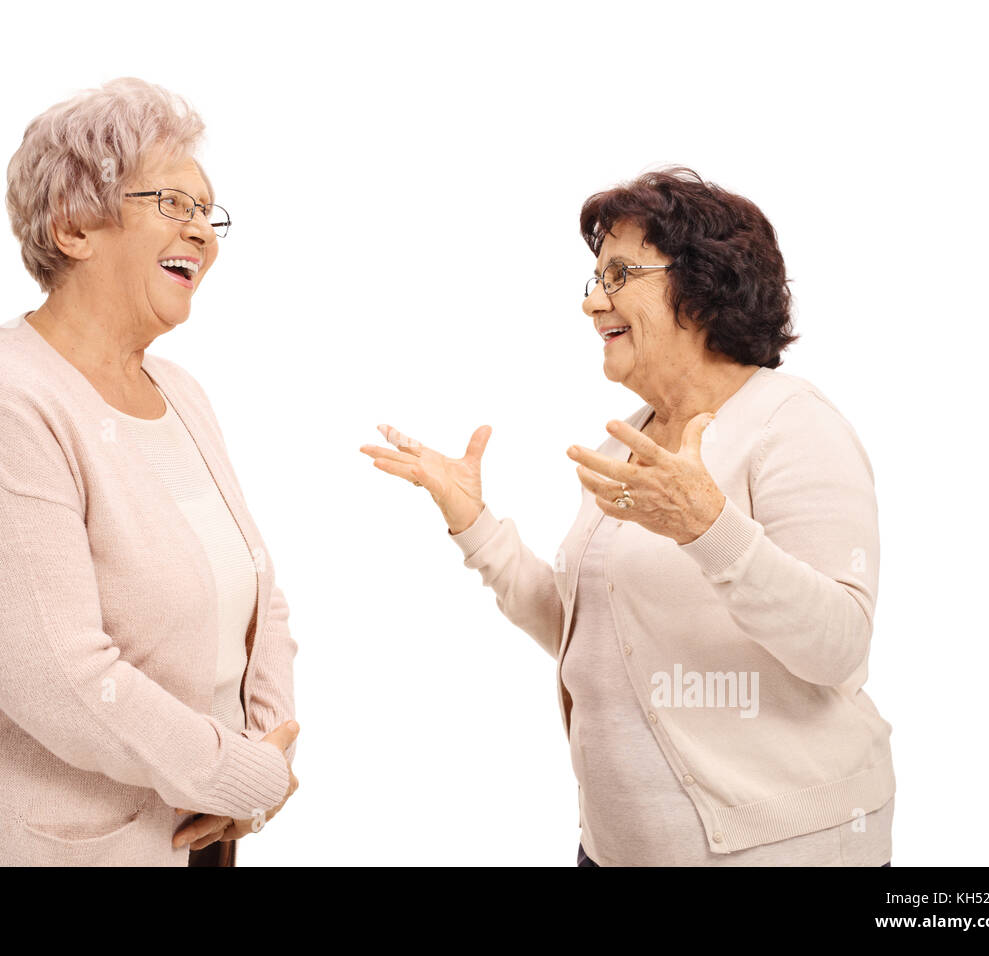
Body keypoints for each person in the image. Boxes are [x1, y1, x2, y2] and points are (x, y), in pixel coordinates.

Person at [362, 167, 894, 866]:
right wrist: (477, 526)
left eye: (618, 275)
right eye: (594, 279)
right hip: (615, 851)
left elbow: (840, 648)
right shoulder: (630, 439)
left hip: (783, 849)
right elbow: (590, 635)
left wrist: (711, 530)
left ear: (703, 286)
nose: (593, 304)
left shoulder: (792, 425)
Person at [0, 78, 299, 867]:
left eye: (207, 212)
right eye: (173, 204)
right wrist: (243, 773)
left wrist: (263, 755)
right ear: (75, 224)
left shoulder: (181, 393)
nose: (204, 234)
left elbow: (261, 599)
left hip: (199, 842)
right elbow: (60, 675)